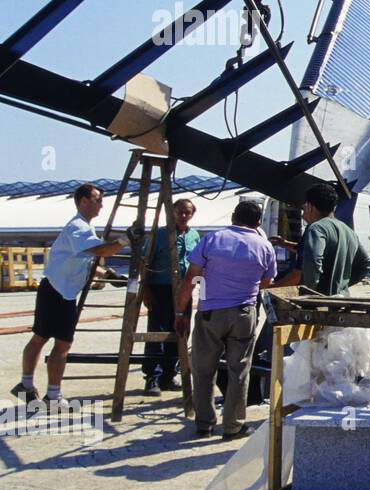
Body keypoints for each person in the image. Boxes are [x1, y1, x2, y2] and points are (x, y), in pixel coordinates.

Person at [12, 184, 127, 407]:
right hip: (58, 291)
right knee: (61, 343)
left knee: (42, 338)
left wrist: (108, 274)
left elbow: (80, 258)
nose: (101, 205)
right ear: (84, 201)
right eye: (97, 200)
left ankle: (28, 385)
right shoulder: (78, 227)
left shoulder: (83, 228)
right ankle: (51, 395)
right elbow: (100, 251)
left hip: (58, 289)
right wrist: (124, 241)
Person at [175, 199, 277, 439]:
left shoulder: (212, 239)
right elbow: (267, 282)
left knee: (203, 370)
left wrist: (180, 313)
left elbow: (192, 277)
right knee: (239, 371)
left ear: (233, 217)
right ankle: (233, 426)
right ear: (258, 222)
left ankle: (204, 423)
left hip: (210, 312)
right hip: (244, 313)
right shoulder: (264, 246)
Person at [139, 198, 199, 395]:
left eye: (187, 212)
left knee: (181, 331)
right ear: (172, 212)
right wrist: (146, 290)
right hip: (160, 288)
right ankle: (152, 377)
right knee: (157, 332)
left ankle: (168, 374)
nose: (183, 215)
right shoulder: (159, 235)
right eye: (180, 211)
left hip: (184, 290)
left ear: (192, 215)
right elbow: (144, 263)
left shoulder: (194, 236)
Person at [274, 184, 368, 296]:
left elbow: (313, 260)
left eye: (304, 207)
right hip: (341, 299)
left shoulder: (316, 228)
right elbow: (365, 264)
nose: (303, 212)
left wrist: (311, 291)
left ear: (310, 207)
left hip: (320, 302)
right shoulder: (348, 230)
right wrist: (342, 286)